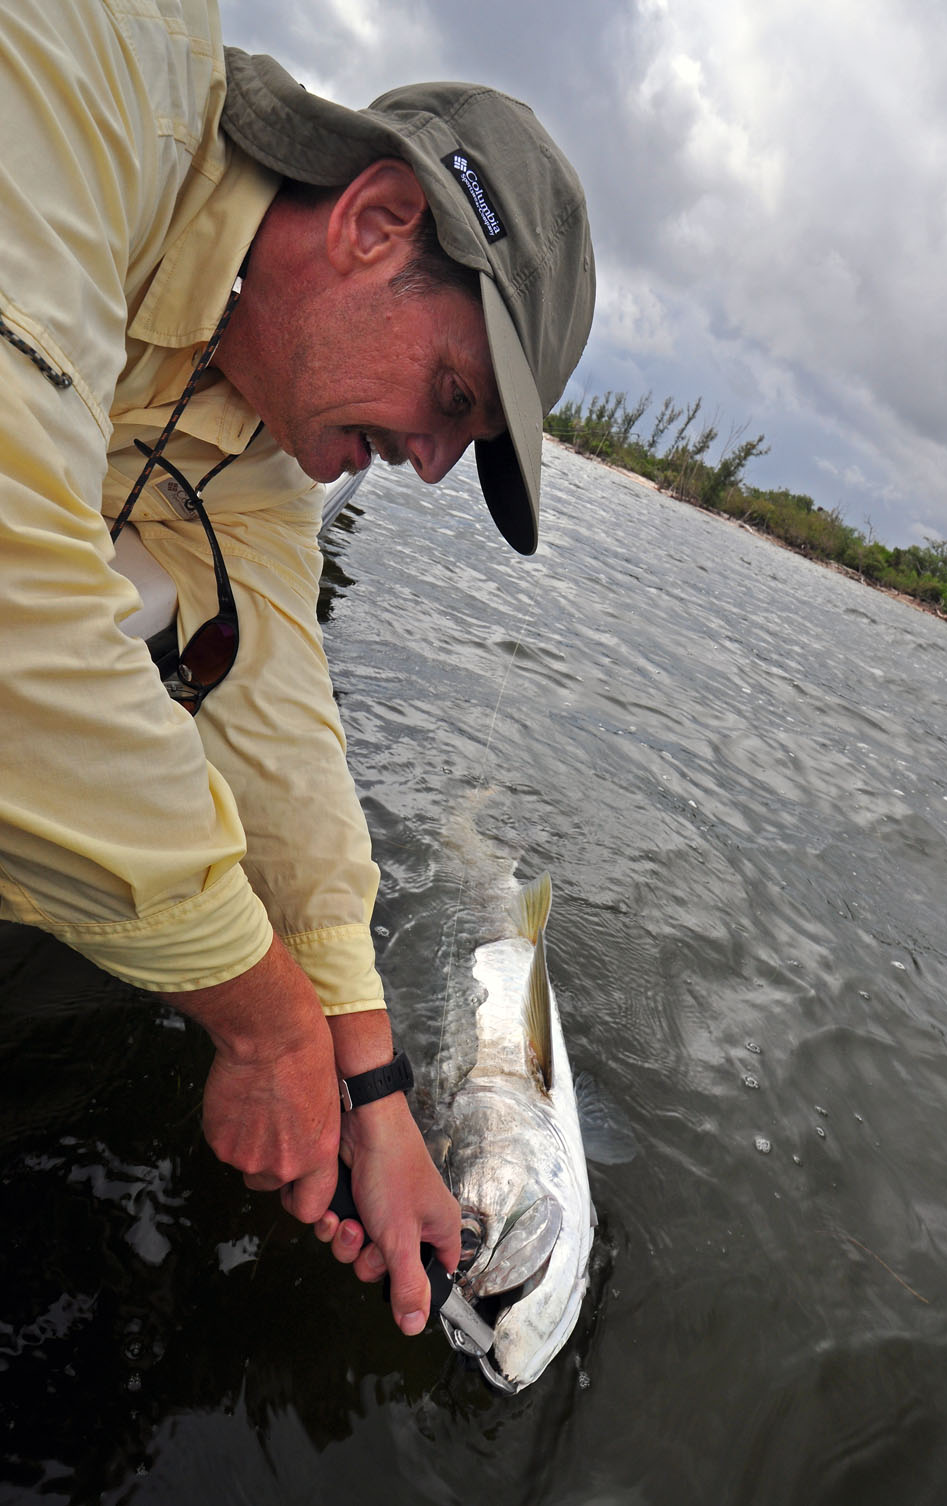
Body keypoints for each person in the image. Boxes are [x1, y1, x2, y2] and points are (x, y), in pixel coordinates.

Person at [0, 1, 595, 1338]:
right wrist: (264, 1025)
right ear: (374, 221)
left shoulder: (259, 441)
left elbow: (277, 716)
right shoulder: (91, 54)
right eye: (453, 401)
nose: (432, 468)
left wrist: (372, 1085)